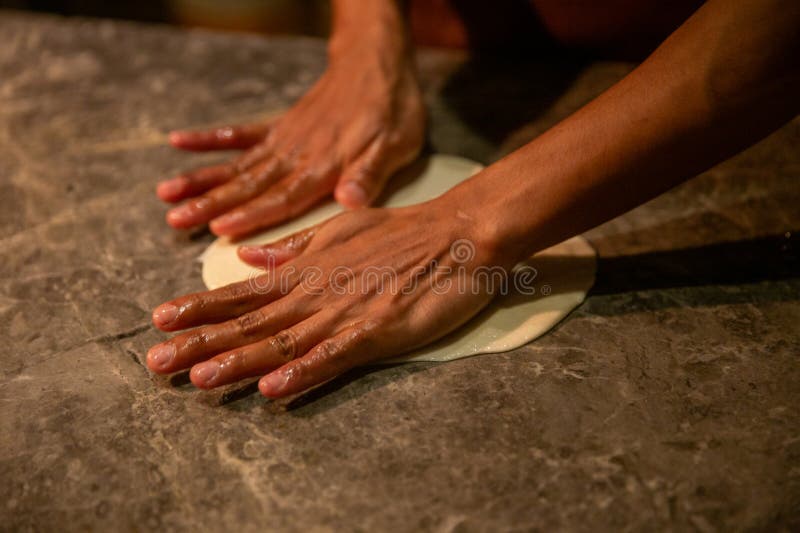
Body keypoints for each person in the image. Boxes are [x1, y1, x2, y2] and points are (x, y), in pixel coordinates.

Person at [145, 0, 800, 398]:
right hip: (470, 37)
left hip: (679, 64)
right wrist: (367, 44)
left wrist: (468, 220)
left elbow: (767, 42)